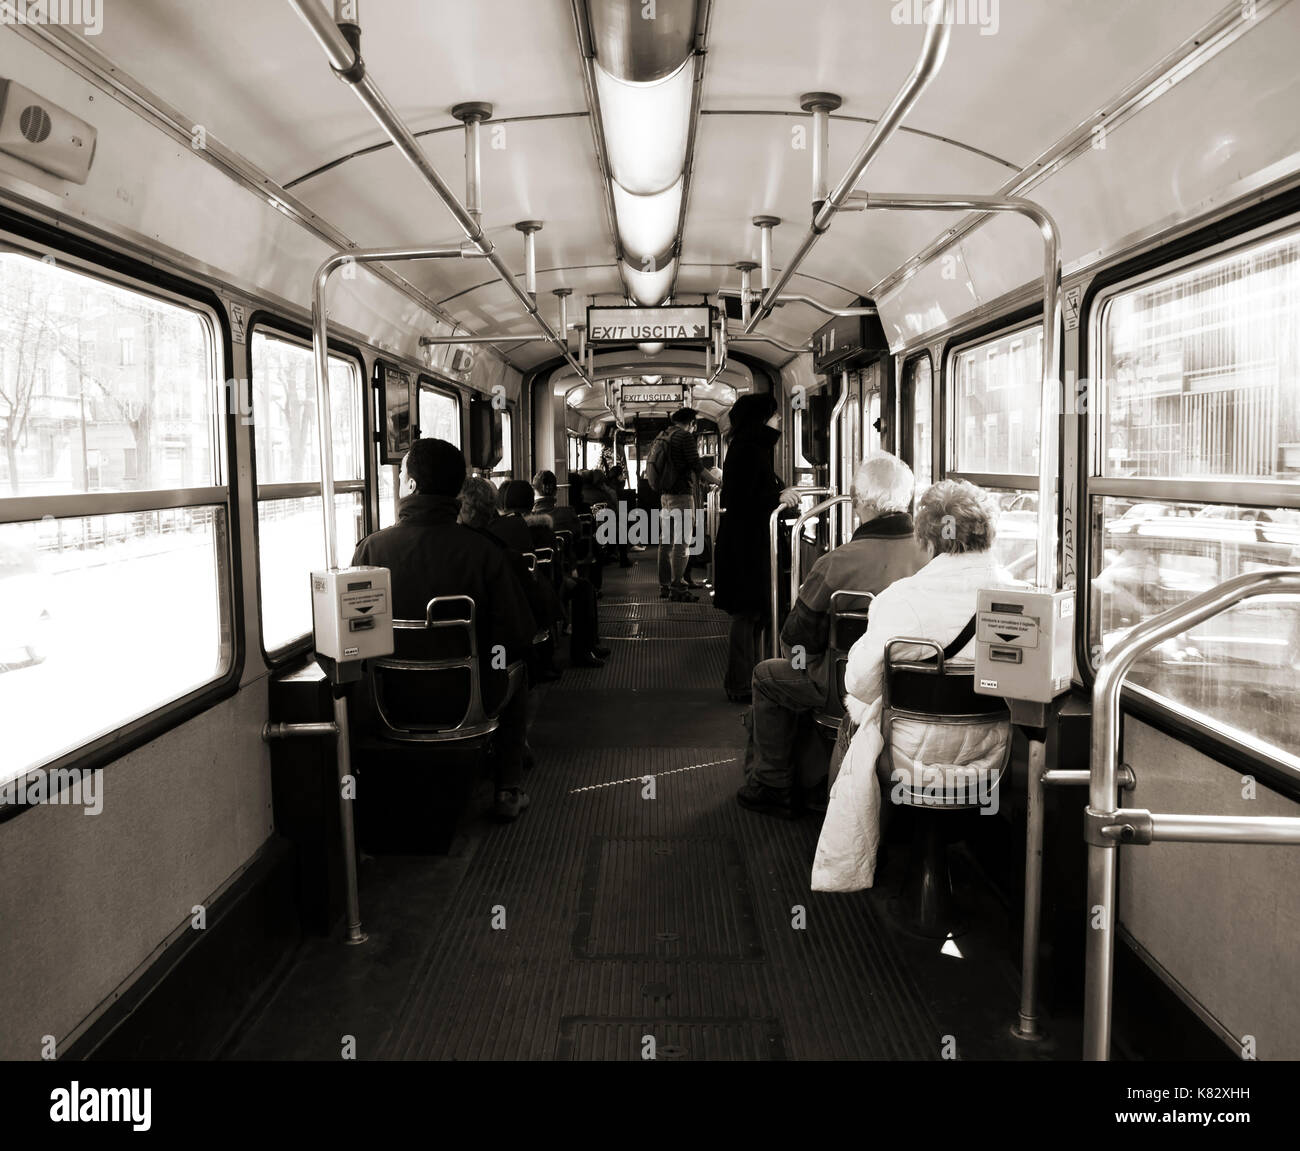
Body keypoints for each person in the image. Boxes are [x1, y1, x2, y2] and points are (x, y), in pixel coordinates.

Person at [810, 480, 1013, 891]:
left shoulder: (903, 598)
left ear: (925, 535)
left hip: (907, 758)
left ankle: (850, 844)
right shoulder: (1021, 598)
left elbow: (860, 683)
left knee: (857, 723)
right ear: (988, 532)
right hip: (997, 755)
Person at [736, 452, 929, 819]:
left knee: (767, 677)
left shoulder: (836, 563)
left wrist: (810, 662)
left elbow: (795, 639)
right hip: (920, 689)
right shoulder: (934, 555)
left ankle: (773, 783)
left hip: (846, 689)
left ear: (861, 502)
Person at [351, 439, 535, 822]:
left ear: (412, 487)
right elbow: (517, 634)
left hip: (387, 699)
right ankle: (508, 787)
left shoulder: (371, 550)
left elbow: (354, 635)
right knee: (518, 671)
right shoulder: (483, 552)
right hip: (469, 700)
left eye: (401, 476)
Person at [712, 394, 800, 702]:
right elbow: (744, 498)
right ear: (761, 419)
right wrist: (777, 497)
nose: (778, 422)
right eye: (774, 416)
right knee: (747, 613)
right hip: (745, 546)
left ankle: (747, 678)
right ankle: (740, 684)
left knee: (753, 613)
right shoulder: (750, 450)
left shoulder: (749, 447)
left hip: (746, 543)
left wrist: (778, 492)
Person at [505, 478, 608, 668]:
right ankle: (585, 649)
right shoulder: (544, 527)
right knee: (583, 587)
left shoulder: (498, 530)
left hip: (509, 593)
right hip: (544, 590)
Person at [653, 407, 721, 602]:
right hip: (682, 497)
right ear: (692, 423)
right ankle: (678, 587)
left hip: (665, 497)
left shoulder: (664, 435)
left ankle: (664, 586)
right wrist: (718, 482)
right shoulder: (684, 437)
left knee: (665, 543)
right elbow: (697, 466)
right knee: (682, 545)